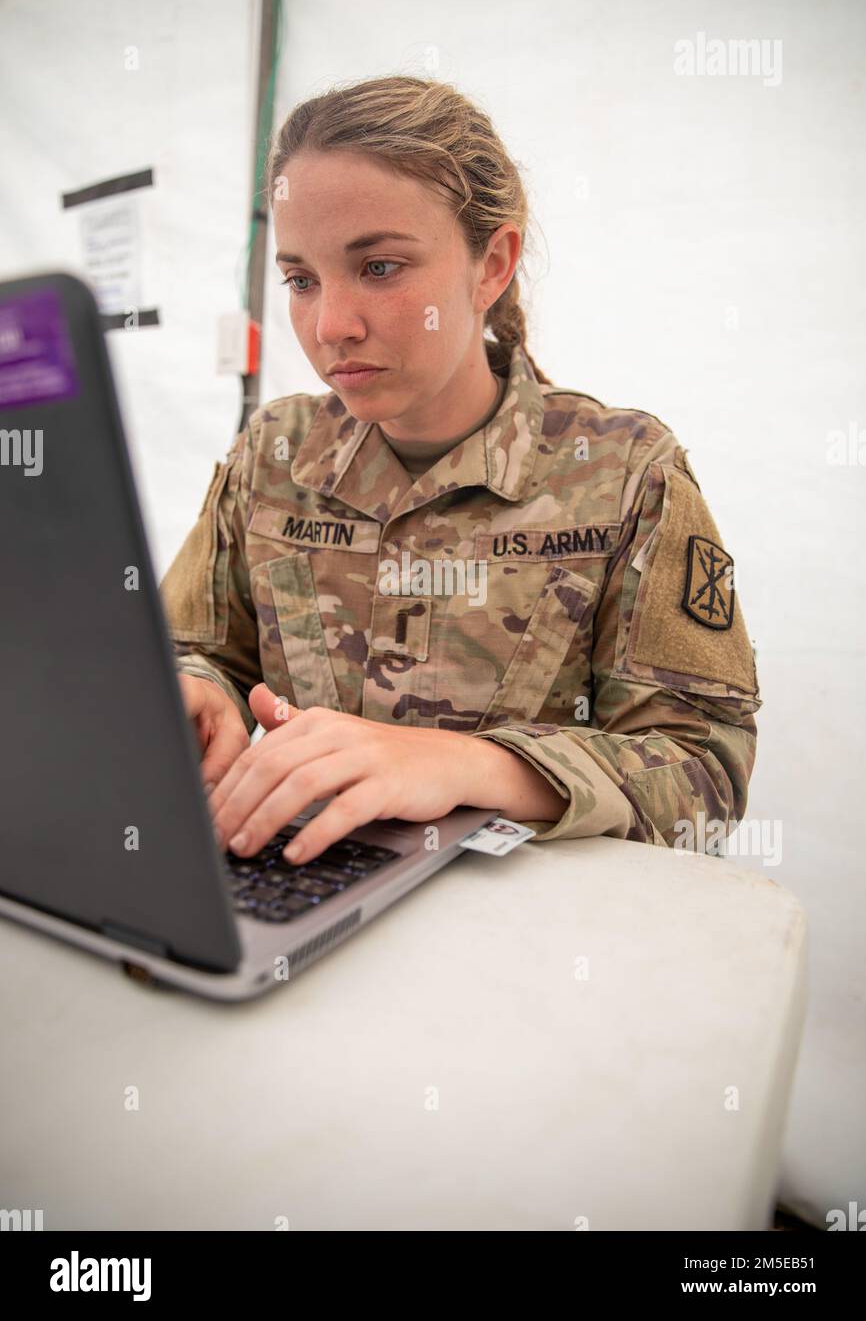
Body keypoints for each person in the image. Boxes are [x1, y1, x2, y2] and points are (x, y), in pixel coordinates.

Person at [159, 75, 762, 870]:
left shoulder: (625, 474)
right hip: (304, 887)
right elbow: (203, 653)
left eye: (380, 267)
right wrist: (198, 693)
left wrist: (470, 766)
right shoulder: (273, 455)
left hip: (526, 927)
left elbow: (704, 770)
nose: (330, 325)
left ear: (492, 265)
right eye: (301, 280)